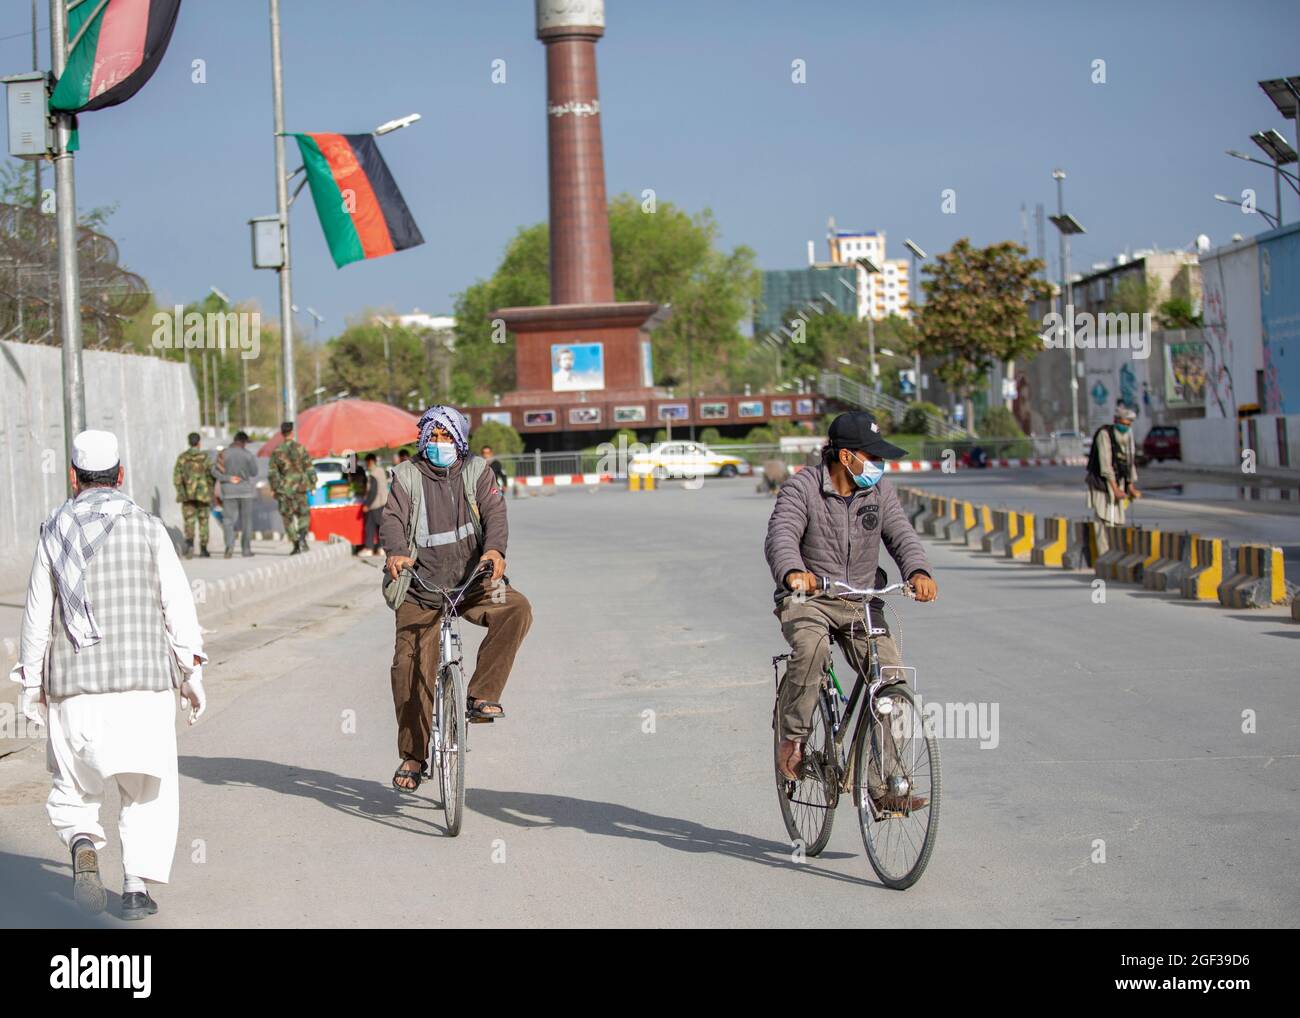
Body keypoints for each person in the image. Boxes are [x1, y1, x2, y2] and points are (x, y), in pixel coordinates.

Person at [8, 430, 206, 920]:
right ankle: (136, 888)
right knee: (145, 791)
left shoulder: (53, 529)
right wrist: (191, 671)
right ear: (121, 475)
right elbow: (177, 604)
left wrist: (32, 684)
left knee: (74, 787)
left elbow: (37, 615)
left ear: (73, 477)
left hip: (75, 688)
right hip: (145, 685)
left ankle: (81, 841)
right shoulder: (149, 526)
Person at [763, 410, 937, 805]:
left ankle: (886, 784)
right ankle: (792, 737)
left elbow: (901, 534)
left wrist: (919, 570)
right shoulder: (801, 488)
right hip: (809, 597)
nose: (879, 465)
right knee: (811, 651)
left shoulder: (879, 492)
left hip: (860, 600)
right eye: (872, 457)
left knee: (890, 680)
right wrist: (793, 571)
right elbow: (782, 534)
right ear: (846, 457)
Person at [381, 405, 533, 792]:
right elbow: (393, 519)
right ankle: (414, 756)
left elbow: (496, 513)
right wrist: (397, 552)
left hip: (476, 580)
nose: (438, 444)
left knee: (515, 607)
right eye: (432, 436)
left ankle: (481, 695)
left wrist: (495, 551)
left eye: (446, 437)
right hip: (421, 586)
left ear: (460, 439)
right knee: (409, 668)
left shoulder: (478, 472)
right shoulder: (406, 476)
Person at [1086, 404, 1142, 556]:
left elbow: (1130, 462)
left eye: (1128, 425)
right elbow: (1106, 465)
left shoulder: (1128, 435)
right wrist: (1115, 489)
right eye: (1123, 424)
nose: (1126, 427)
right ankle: (1104, 556)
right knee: (1103, 520)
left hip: (1119, 482)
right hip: (1101, 483)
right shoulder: (1105, 434)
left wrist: (1130, 486)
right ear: (1116, 421)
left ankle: (1115, 555)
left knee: (1117, 520)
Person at [268, 421, 317, 555]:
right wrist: (312, 485)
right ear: (292, 432)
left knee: (287, 517)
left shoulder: (277, 452)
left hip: (284, 489)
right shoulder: (300, 448)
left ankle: (295, 543)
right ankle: (302, 538)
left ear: (282, 434)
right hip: (300, 487)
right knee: (303, 514)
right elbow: (309, 468)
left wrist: (273, 488)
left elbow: (272, 473)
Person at [212, 431, 258, 559]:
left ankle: (229, 547)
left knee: (228, 520)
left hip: (229, 491)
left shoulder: (223, 454)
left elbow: (214, 472)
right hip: (245, 492)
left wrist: (227, 478)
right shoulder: (248, 455)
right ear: (243, 442)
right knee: (246, 522)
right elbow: (254, 472)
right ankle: (246, 550)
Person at [172, 432, 213, 559]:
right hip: (203, 495)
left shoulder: (182, 457)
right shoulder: (205, 457)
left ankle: (190, 544)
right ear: (199, 442)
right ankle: (203, 549)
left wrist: (181, 492)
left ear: (189, 442)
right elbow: (211, 475)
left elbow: (177, 477)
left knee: (189, 521)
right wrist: (209, 490)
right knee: (203, 521)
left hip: (187, 495)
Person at [362, 453, 388, 556]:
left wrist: (367, 505)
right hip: (383, 502)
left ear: (370, 461)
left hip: (375, 504)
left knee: (370, 527)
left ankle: (369, 548)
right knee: (380, 527)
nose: (366, 464)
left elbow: (373, 491)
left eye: (367, 462)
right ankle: (381, 548)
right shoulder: (381, 471)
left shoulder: (373, 474)